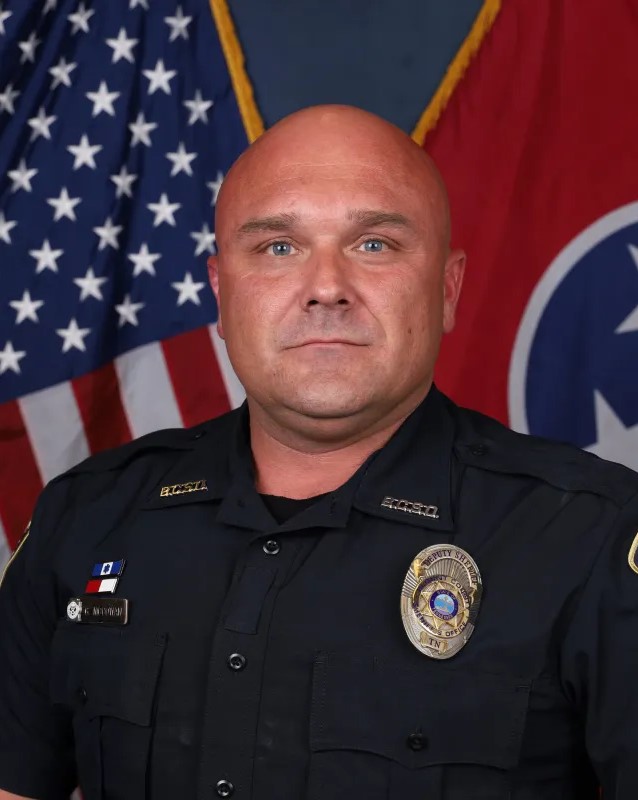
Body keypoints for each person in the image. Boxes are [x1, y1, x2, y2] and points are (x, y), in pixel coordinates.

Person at [1, 104, 637, 800]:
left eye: (375, 244)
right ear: (220, 292)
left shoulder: (591, 537)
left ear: (447, 289)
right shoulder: (87, 516)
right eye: (279, 247)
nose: (327, 288)